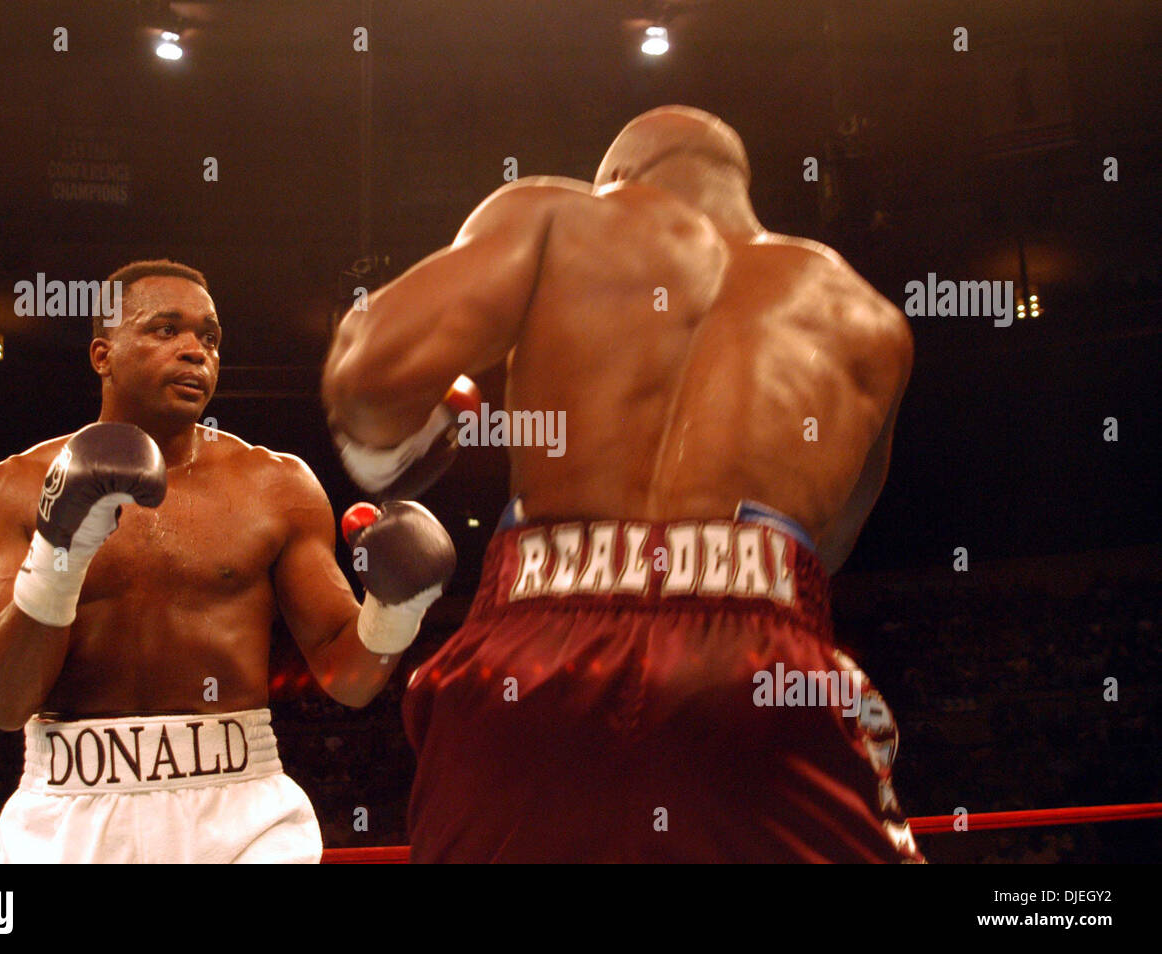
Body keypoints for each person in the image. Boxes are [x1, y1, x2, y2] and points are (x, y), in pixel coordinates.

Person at [322, 106, 922, 862]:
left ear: (617, 178)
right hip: (761, 666)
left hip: (536, 651)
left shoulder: (555, 214)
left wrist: (398, 449)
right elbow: (824, 550)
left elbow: (370, 381)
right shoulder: (872, 322)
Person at [0, 259, 453, 863]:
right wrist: (60, 549)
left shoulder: (278, 486)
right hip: (70, 809)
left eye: (210, 337)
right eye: (165, 330)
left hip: (241, 810)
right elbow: (4, 703)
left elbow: (348, 679)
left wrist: (394, 609)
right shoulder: (9, 489)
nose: (196, 351)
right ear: (102, 355)